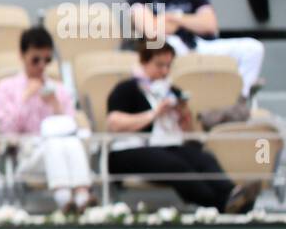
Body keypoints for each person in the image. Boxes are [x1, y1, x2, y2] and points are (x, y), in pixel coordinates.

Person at [106, 38, 258, 213]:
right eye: (159, 65)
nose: (164, 71)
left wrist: (183, 116)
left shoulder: (173, 90)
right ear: (144, 61)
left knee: (203, 158)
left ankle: (233, 194)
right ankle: (220, 204)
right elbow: (114, 124)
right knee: (175, 166)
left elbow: (188, 131)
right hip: (130, 150)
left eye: (168, 66)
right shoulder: (127, 88)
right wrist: (155, 113)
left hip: (167, 145)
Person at [126, 0, 265, 95]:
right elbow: (151, 30)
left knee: (253, 48)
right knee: (171, 43)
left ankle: (241, 98)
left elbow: (210, 25)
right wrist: (191, 21)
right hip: (165, 49)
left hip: (198, 44)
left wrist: (174, 18)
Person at [0, 28, 92, 211]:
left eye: (47, 60)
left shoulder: (59, 90)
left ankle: (79, 196)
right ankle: (69, 198)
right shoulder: (6, 88)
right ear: (22, 56)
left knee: (69, 141)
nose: (41, 66)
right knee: (54, 143)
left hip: (63, 151)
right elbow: (8, 131)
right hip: (28, 154)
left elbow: (71, 127)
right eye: (35, 60)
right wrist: (25, 97)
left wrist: (56, 106)